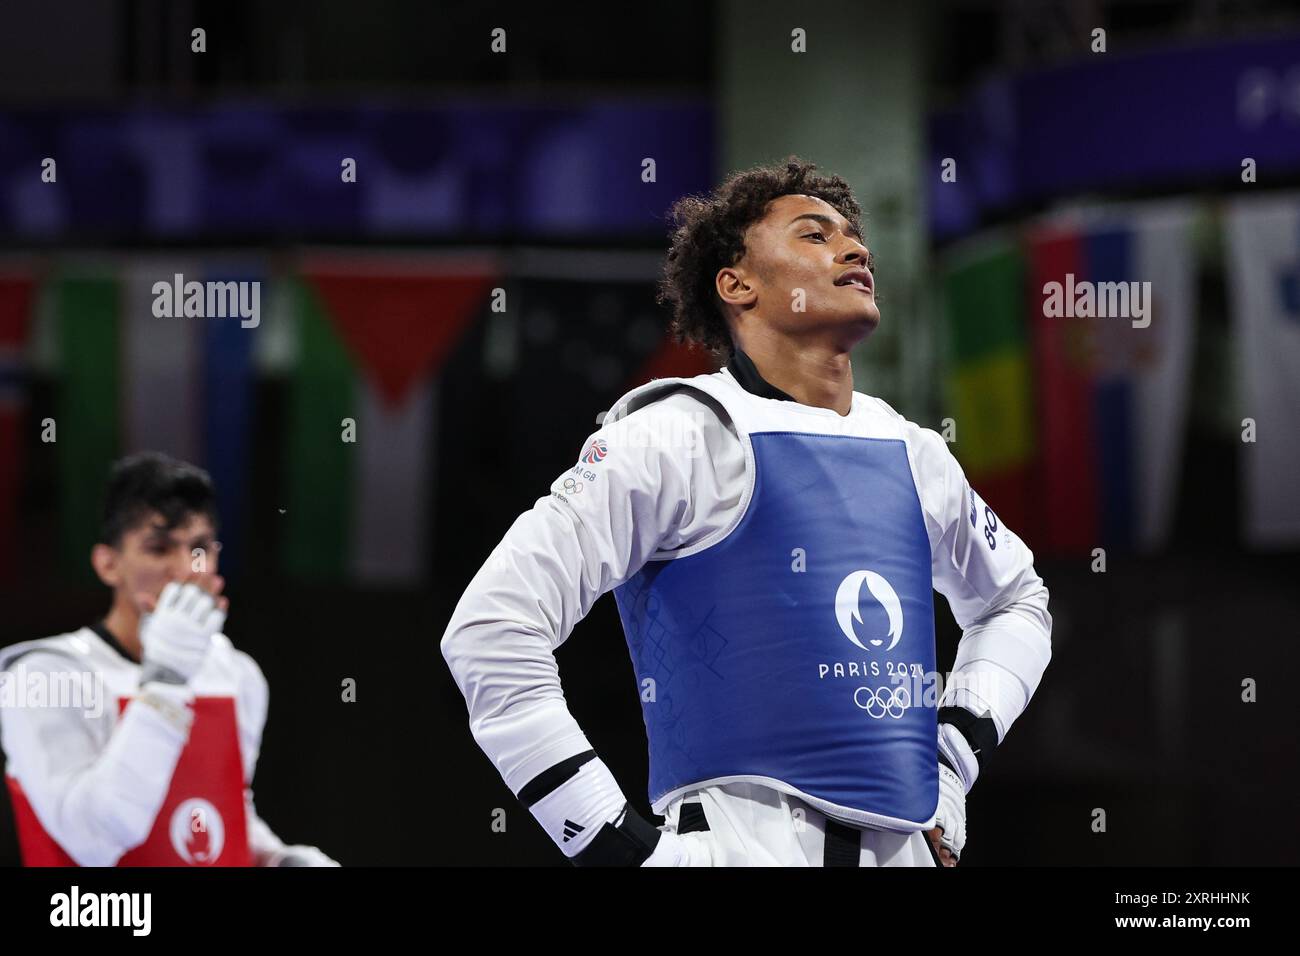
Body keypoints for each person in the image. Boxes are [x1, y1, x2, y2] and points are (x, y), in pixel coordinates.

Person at [441, 158, 1052, 866]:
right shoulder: (674, 434)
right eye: (814, 236)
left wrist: (953, 759)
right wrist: (611, 843)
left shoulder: (914, 453)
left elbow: (1017, 602)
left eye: (854, 238)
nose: (855, 250)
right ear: (737, 284)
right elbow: (490, 628)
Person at [0, 452, 337, 867]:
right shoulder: (43, 676)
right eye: (159, 548)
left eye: (198, 549)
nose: (182, 570)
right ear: (108, 564)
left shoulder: (236, 674)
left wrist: (276, 858)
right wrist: (165, 681)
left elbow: (217, 809)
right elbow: (91, 841)